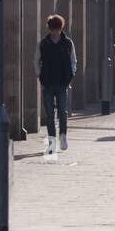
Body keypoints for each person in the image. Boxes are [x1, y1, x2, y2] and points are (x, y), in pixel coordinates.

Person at [35, 14, 77, 154]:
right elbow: (36, 60)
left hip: (62, 82)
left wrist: (71, 75)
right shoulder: (43, 43)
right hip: (47, 82)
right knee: (49, 114)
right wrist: (39, 74)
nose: (55, 32)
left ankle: (63, 136)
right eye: (53, 29)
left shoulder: (67, 43)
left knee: (63, 111)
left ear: (61, 28)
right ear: (50, 28)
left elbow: (73, 60)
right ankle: (52, 143)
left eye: (57, 29)